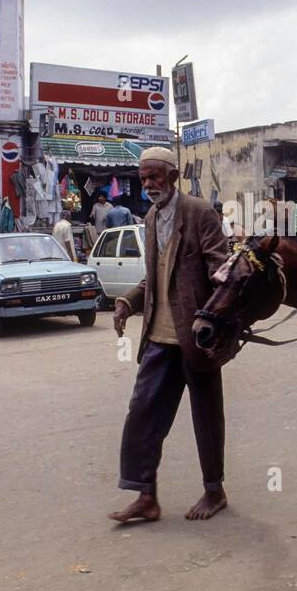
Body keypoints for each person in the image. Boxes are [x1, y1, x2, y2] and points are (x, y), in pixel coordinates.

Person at [109, 147, 232, 523]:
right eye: (143, 178)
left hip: (195, 336)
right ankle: (146, 496)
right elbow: (155, 276)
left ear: (173, 176)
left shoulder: (198, 213)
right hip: (159, 338)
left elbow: (221, 270)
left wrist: (218, 318)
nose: (148, 184)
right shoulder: (149, 218)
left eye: (154, 176)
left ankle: (215, 491)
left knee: (206, 417)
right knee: (142, 414)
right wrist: (129, 302)